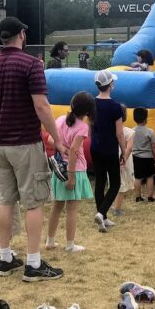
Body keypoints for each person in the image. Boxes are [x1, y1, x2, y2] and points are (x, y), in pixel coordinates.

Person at [0, 16, 68, 281]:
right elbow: (41, 105)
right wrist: (57, 139)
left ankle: (5, 257)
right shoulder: (31, 64)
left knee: (5, 200)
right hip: (25, 144)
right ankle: (33, 263)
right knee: (33, 202)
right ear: (21, 34)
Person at [46, 91, 95, 253]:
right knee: (72, 209)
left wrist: (63, 149)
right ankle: (70, 244)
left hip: (58, 169)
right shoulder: (82, 127)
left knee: (56, 206)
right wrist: (72, 176)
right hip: (75, 170)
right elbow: (74, 150)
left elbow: (50, 139)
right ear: (88, 111)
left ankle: (50, 241)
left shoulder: (60, 119)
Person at [90, 69, 126, 232]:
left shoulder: (92, 103)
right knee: (115, 183)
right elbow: (119, 133)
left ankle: (103, 217)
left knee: (100, 181)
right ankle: (101, 213)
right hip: (110, 149)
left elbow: (91, 126)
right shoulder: (115, 106)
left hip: (95, 147)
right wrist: (124, 151)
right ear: (110, 85)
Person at [131, 107, 155, 202]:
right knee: (150, 176)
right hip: (148, 158)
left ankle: (138, 197)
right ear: (145, 119)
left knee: (137, 177)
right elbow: (154, 146)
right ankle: (150, 197)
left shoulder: (132, 131)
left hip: (135, 157)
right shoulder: (150, 132)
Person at [113, 116, 135, 217]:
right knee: (121, 185)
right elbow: (129, 148)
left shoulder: (110, 130)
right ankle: (117, 209)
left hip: (111, 158)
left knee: (115, 184)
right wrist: (124, 158)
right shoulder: (129, 132)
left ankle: (115, 205)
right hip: (123, 159)